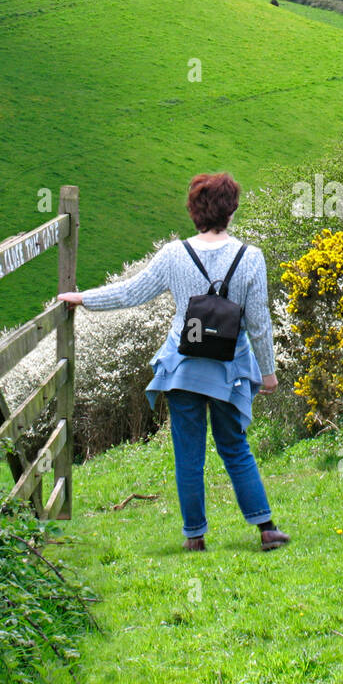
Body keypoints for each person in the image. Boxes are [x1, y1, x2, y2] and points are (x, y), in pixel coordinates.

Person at [58, 173, 289, 553]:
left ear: (194, 211)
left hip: (183, 368)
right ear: (230, 210)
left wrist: (84, 299)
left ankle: (194, 536)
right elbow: (259, 322)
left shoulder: (174, 255)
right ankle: (266, 529)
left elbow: (132, 293)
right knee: (235, 448)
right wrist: (268, 372)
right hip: (229, 370)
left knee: (188, 454)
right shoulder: (251, 258)